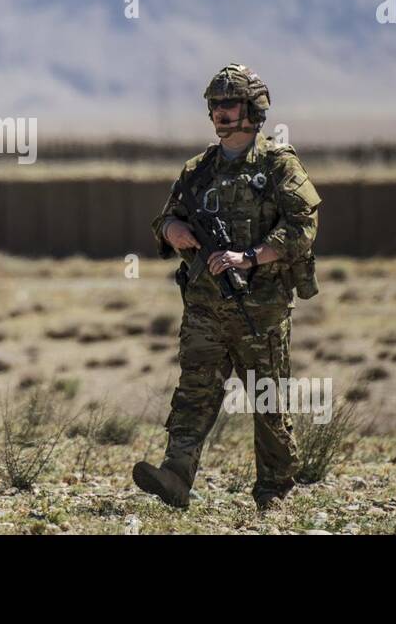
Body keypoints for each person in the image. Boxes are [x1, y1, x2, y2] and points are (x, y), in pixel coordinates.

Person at [132, 63, 321, 511]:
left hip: (261, 307)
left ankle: (274, 489)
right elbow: (166, 217)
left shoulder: (278, 165)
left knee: (267, 400)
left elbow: (303, 228)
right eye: (214, 105)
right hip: (204, 308)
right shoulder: (197, 171)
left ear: (253, 110)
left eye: (228, 104)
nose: (219, 112)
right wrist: (172, 230)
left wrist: (250, 257)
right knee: (195, 391)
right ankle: (176, 476)